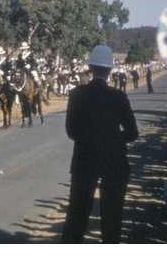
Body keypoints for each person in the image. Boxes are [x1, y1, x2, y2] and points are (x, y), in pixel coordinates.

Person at [60, 44, 139, 244]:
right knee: (112, 219)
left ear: (91, 68)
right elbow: (132, 133)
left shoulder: (76, 94)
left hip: (84, 159)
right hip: (114, 161)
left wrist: (90, 140)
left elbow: (71, 131)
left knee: (76, 216)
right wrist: (111, 140)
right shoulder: (119, 97)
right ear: (110, 69)